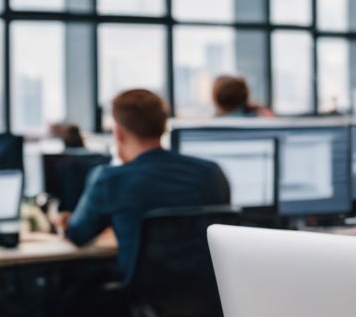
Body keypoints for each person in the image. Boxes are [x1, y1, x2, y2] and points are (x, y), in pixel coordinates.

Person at [59, 89, 230, 279]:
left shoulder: (110, 179)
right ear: (163, 127)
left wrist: (62, 221)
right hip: (208, 295)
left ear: (118, 133)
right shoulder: (211, 173)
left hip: (146, 299)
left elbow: (78, 235)